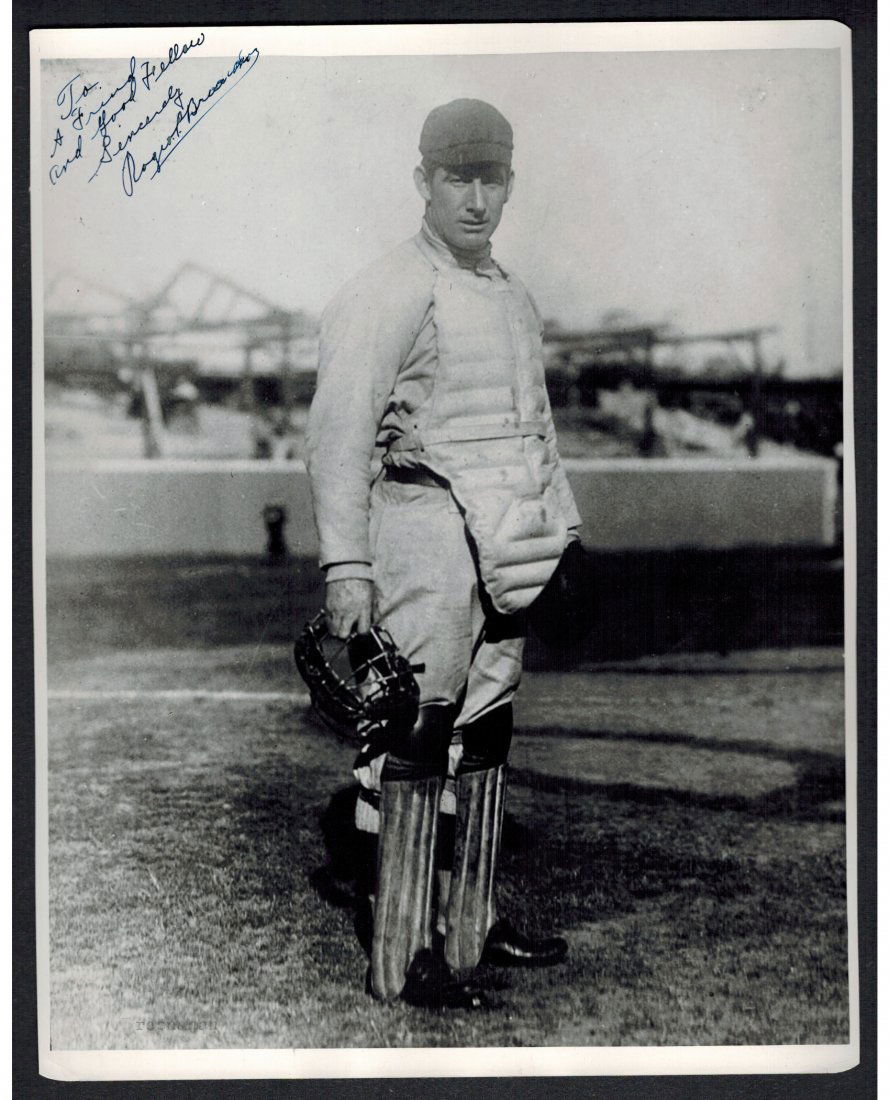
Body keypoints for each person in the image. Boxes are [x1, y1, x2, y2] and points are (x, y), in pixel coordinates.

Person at [307, 98, 582, 1008]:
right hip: (422, 528)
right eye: (457, 178)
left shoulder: (509, 291)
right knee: (417, 730)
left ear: (510, 183)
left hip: (505, 538)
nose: (475, 198)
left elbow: (535, 430)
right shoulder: (388, 287)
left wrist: (559, 532)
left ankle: (470, 921)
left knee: (488, 723)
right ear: (423, 181)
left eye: (490, 179)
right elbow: (338, 436)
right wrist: (347, 566)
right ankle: (406, 946)